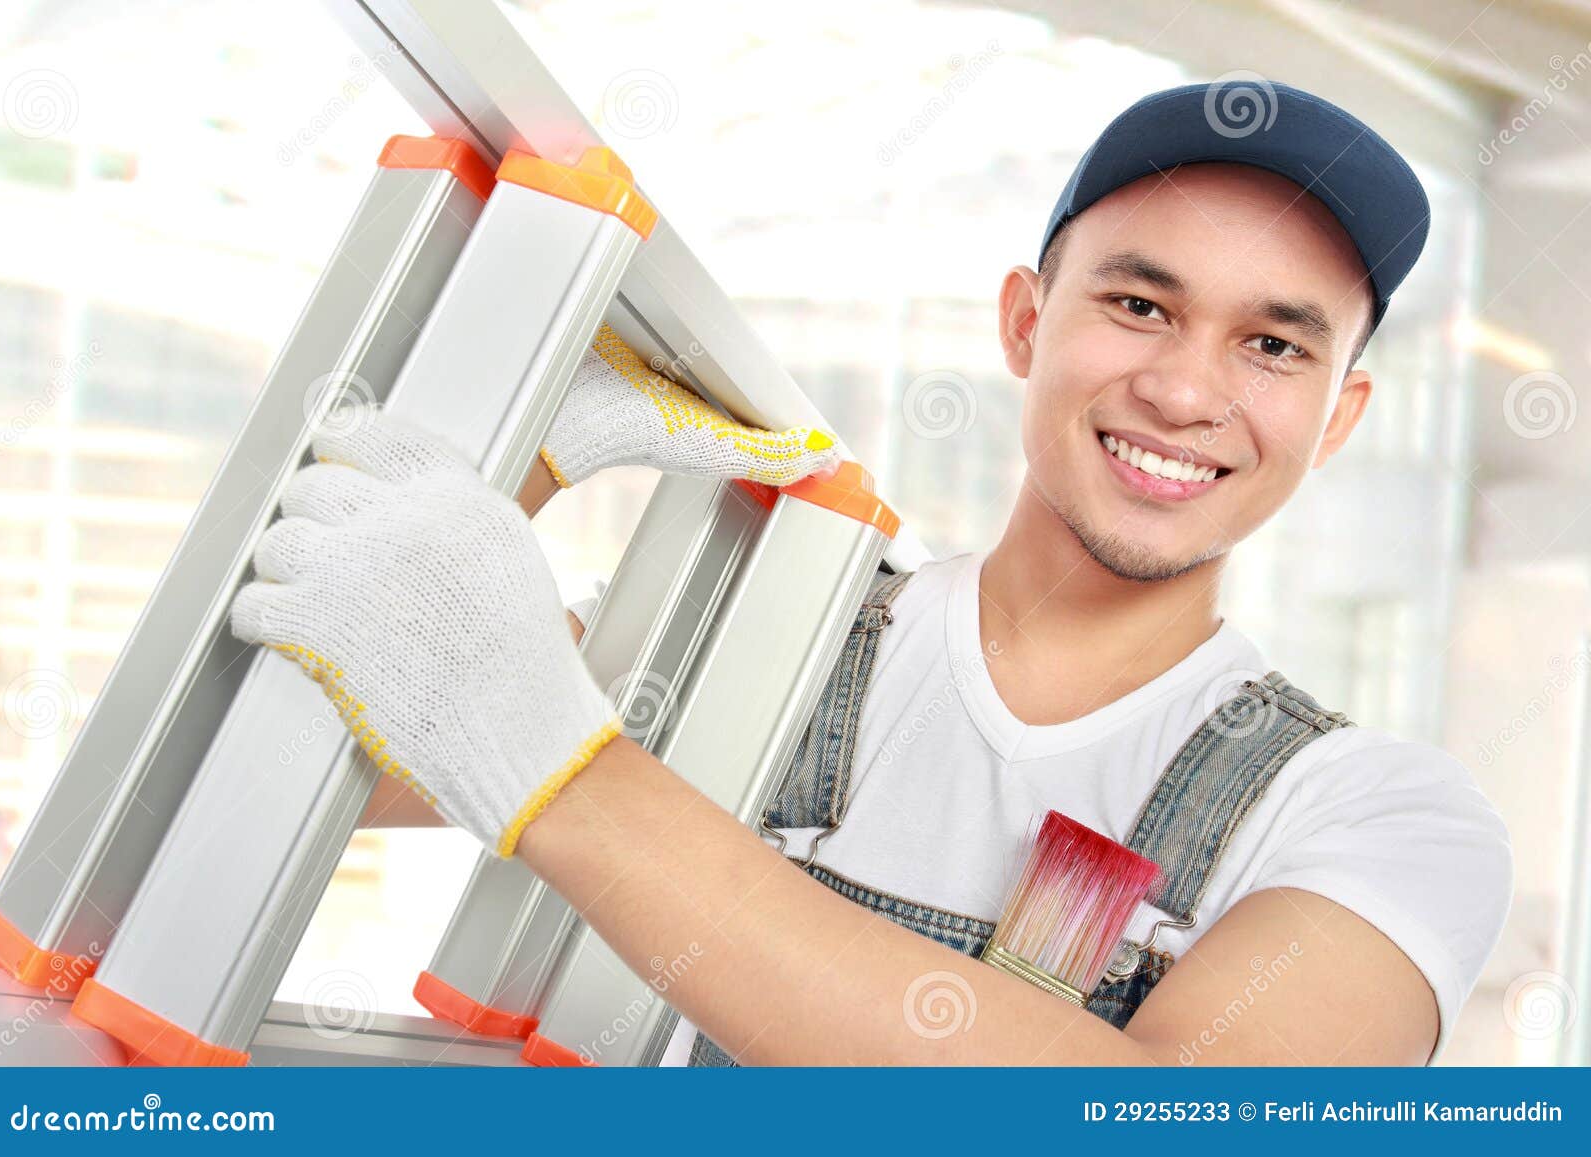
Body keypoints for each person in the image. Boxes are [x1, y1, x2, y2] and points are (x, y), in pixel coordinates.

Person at [231, 80, 1512, 1066]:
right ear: (1024, 320)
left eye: (1273, 345)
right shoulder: (762, 631)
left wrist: (568, 778)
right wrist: (528, 450)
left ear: (1338, 417)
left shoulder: (1381, 821)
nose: (1183, 390)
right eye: (1138, 305)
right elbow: (285, 750)